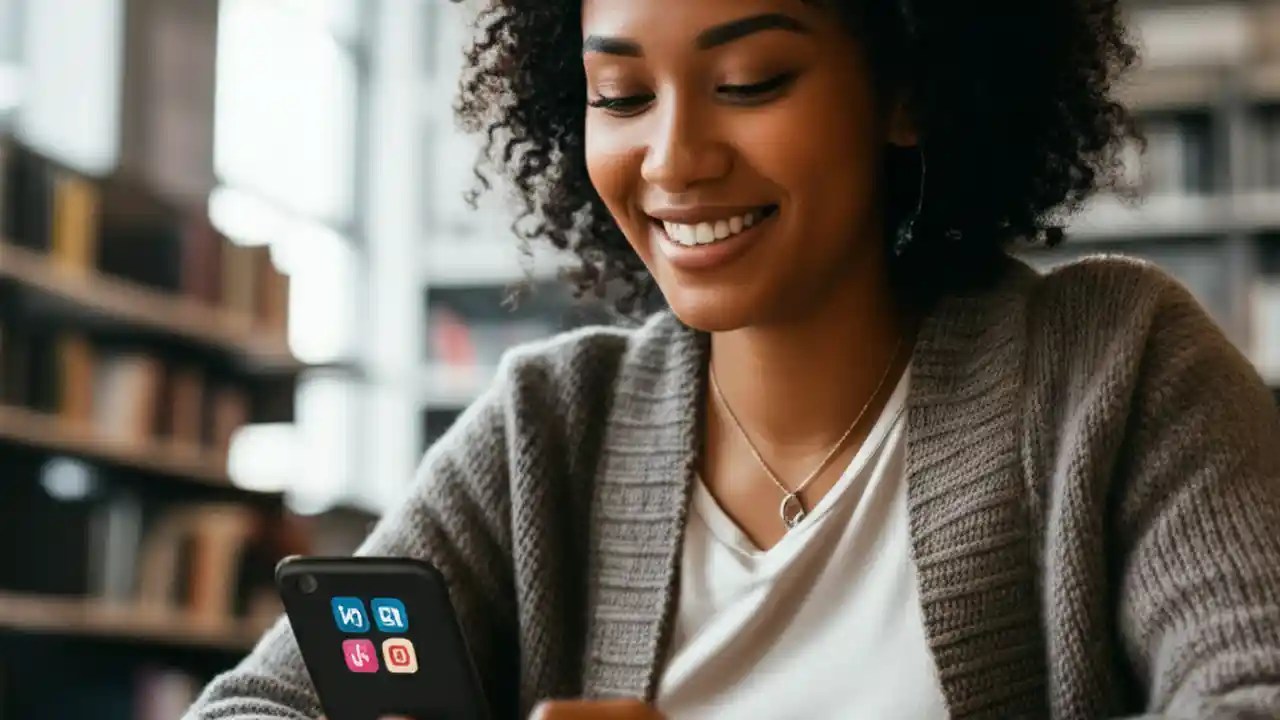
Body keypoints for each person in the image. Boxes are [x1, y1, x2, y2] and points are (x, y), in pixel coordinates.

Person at [187, 0, 1280, 717]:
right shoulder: (548, 427)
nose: (672, 159)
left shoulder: (1119, 368)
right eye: (618, 96)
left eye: (751, 80)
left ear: (906, 92)